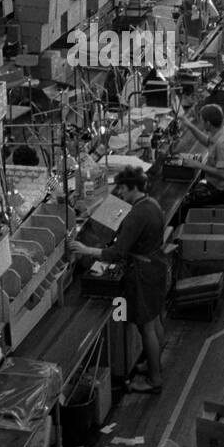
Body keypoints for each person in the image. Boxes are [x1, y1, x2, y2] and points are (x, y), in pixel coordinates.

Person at [68, 167, 168, 393]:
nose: (119, 193)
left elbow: (117, 253)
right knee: (156, 319)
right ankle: (155, 364)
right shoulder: (151, 203)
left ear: (132, 187)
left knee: (146, 327)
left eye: (122, 188)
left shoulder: (136, 215)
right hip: (156, 267)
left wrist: (86, 249)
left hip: (143, 273)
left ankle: (154, 379)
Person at [176, 103, 224, 211]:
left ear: (208, 123)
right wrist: (190, 126)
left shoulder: (222, 143)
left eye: (202, 120)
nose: (200, 122)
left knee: (184, 203)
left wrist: (197, 165)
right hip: (214, 184)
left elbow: (222, 173)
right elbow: (207, 141)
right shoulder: (219, 132)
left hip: (219, 191)